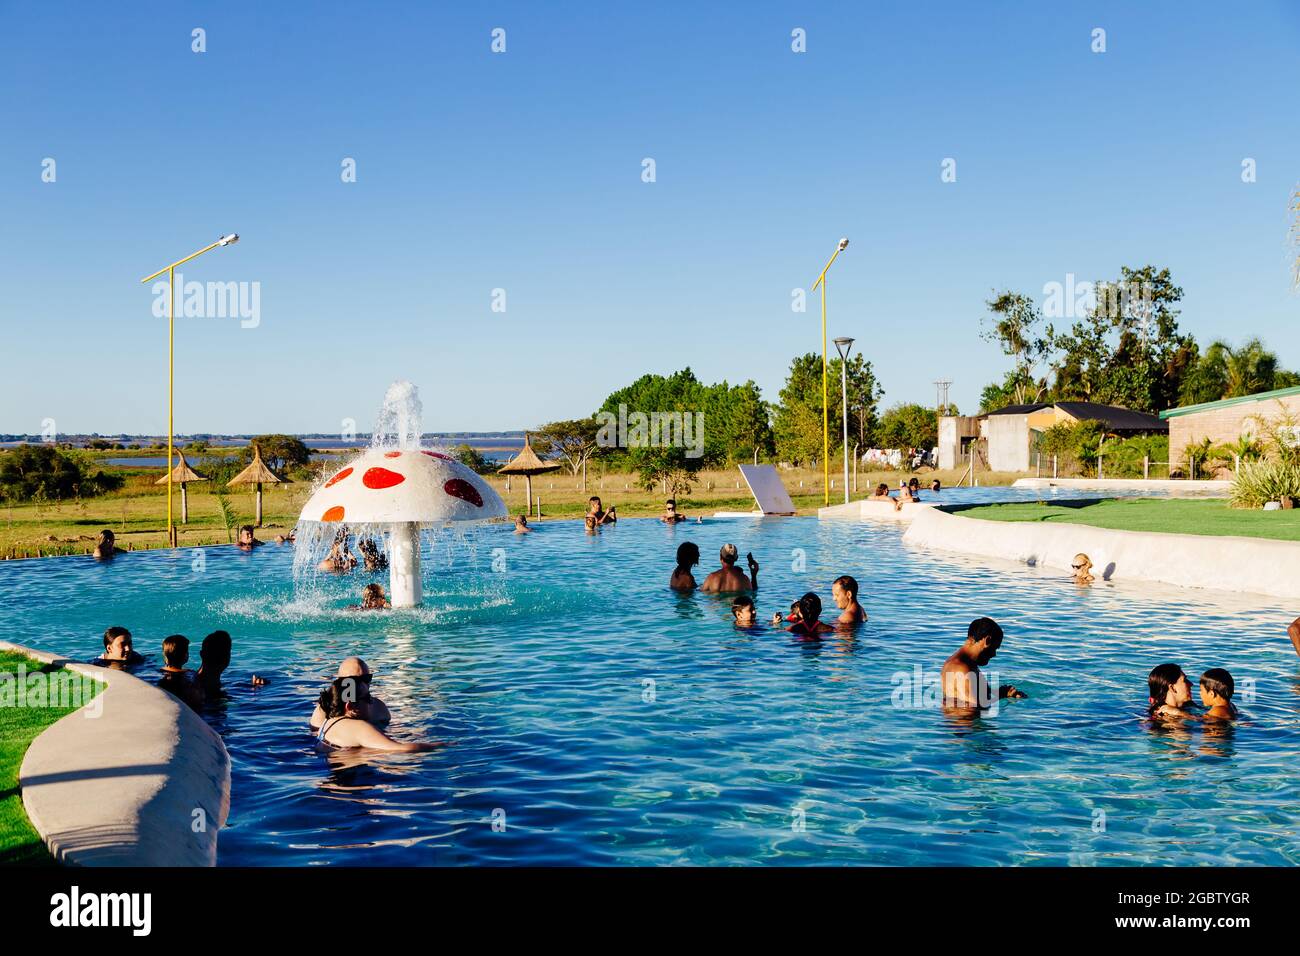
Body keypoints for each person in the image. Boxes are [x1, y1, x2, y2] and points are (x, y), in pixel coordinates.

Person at [315, 677, 439, 752]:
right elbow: (402, 750)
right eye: (367, 697)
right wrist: (443, 746)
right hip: (354, 782)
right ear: (350, 706)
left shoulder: (327, 722)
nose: (372, 701)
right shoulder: (358, 727)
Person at [941, 617, 1026, 706]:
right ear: (987, 641)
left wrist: (1002, 693)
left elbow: (979, 696)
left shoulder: (965, 663)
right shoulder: (961, 669)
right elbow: (971, 712)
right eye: (995, 648)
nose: (994, 654)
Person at [310, 658, 391, 729]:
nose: (362, 684)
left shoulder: (379, 707)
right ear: (340, 682)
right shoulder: (323, 712)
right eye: (354, 681)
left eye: (366, 678)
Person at [195, 629, 267, 693]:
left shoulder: (191, 677)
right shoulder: (214, 693)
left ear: (202, 654)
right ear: (227, 658)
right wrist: (255, 689)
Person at [158, 635, 205, 711]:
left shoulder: (158, 673)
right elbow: (200, 698)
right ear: (186, 656)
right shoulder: (191, 675)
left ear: (165, 655)